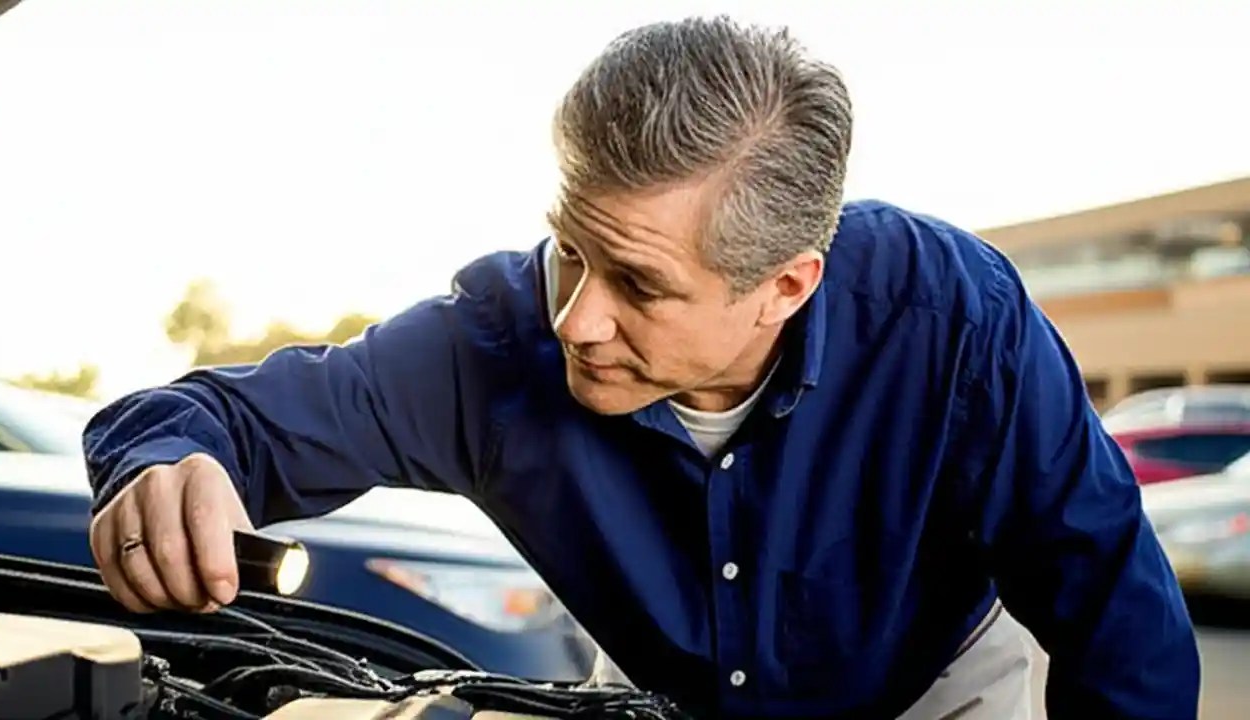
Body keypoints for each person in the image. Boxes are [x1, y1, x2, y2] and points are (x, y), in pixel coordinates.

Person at [82, 15, 1200, 719]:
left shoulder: (953, 319)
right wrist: (164, 461)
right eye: (566, 248)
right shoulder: (490, 334)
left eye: (638, 284)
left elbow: (1109, 603)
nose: (573, 319)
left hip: (930, 692)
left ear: (785, 286)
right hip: (657, 700)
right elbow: (211, 417)